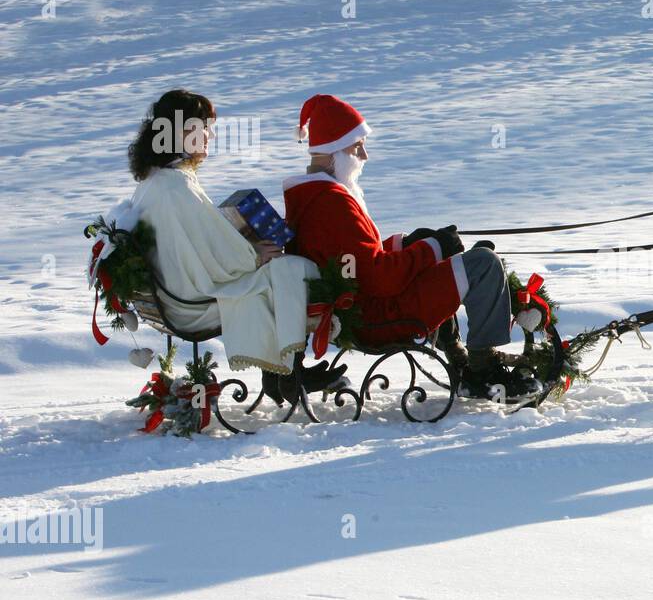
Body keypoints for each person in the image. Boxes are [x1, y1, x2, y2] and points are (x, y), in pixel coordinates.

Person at [283, 94, 539, 400]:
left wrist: (406, 243)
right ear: (331, 152)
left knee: (455, 261)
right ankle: (483, 371)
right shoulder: (333, 204)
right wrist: (432, 247)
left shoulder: (315, 199)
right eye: (356, 146)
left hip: (358, 308)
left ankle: (459, 357)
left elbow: (358, 258)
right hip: (376, 316)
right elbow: (378, 277)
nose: (364, 156)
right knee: (482, 263)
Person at [124, 89, 343, 401]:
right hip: (192, 303)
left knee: (280, 271)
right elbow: (215, 255)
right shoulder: (177, 184)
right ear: (184, 131)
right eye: (205, 127)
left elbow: (197, 242)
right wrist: (255, 255)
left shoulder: (155, 180)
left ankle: (283, 371)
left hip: (173, 295)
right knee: (294, 269)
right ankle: (289, 373)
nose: (211, 135)